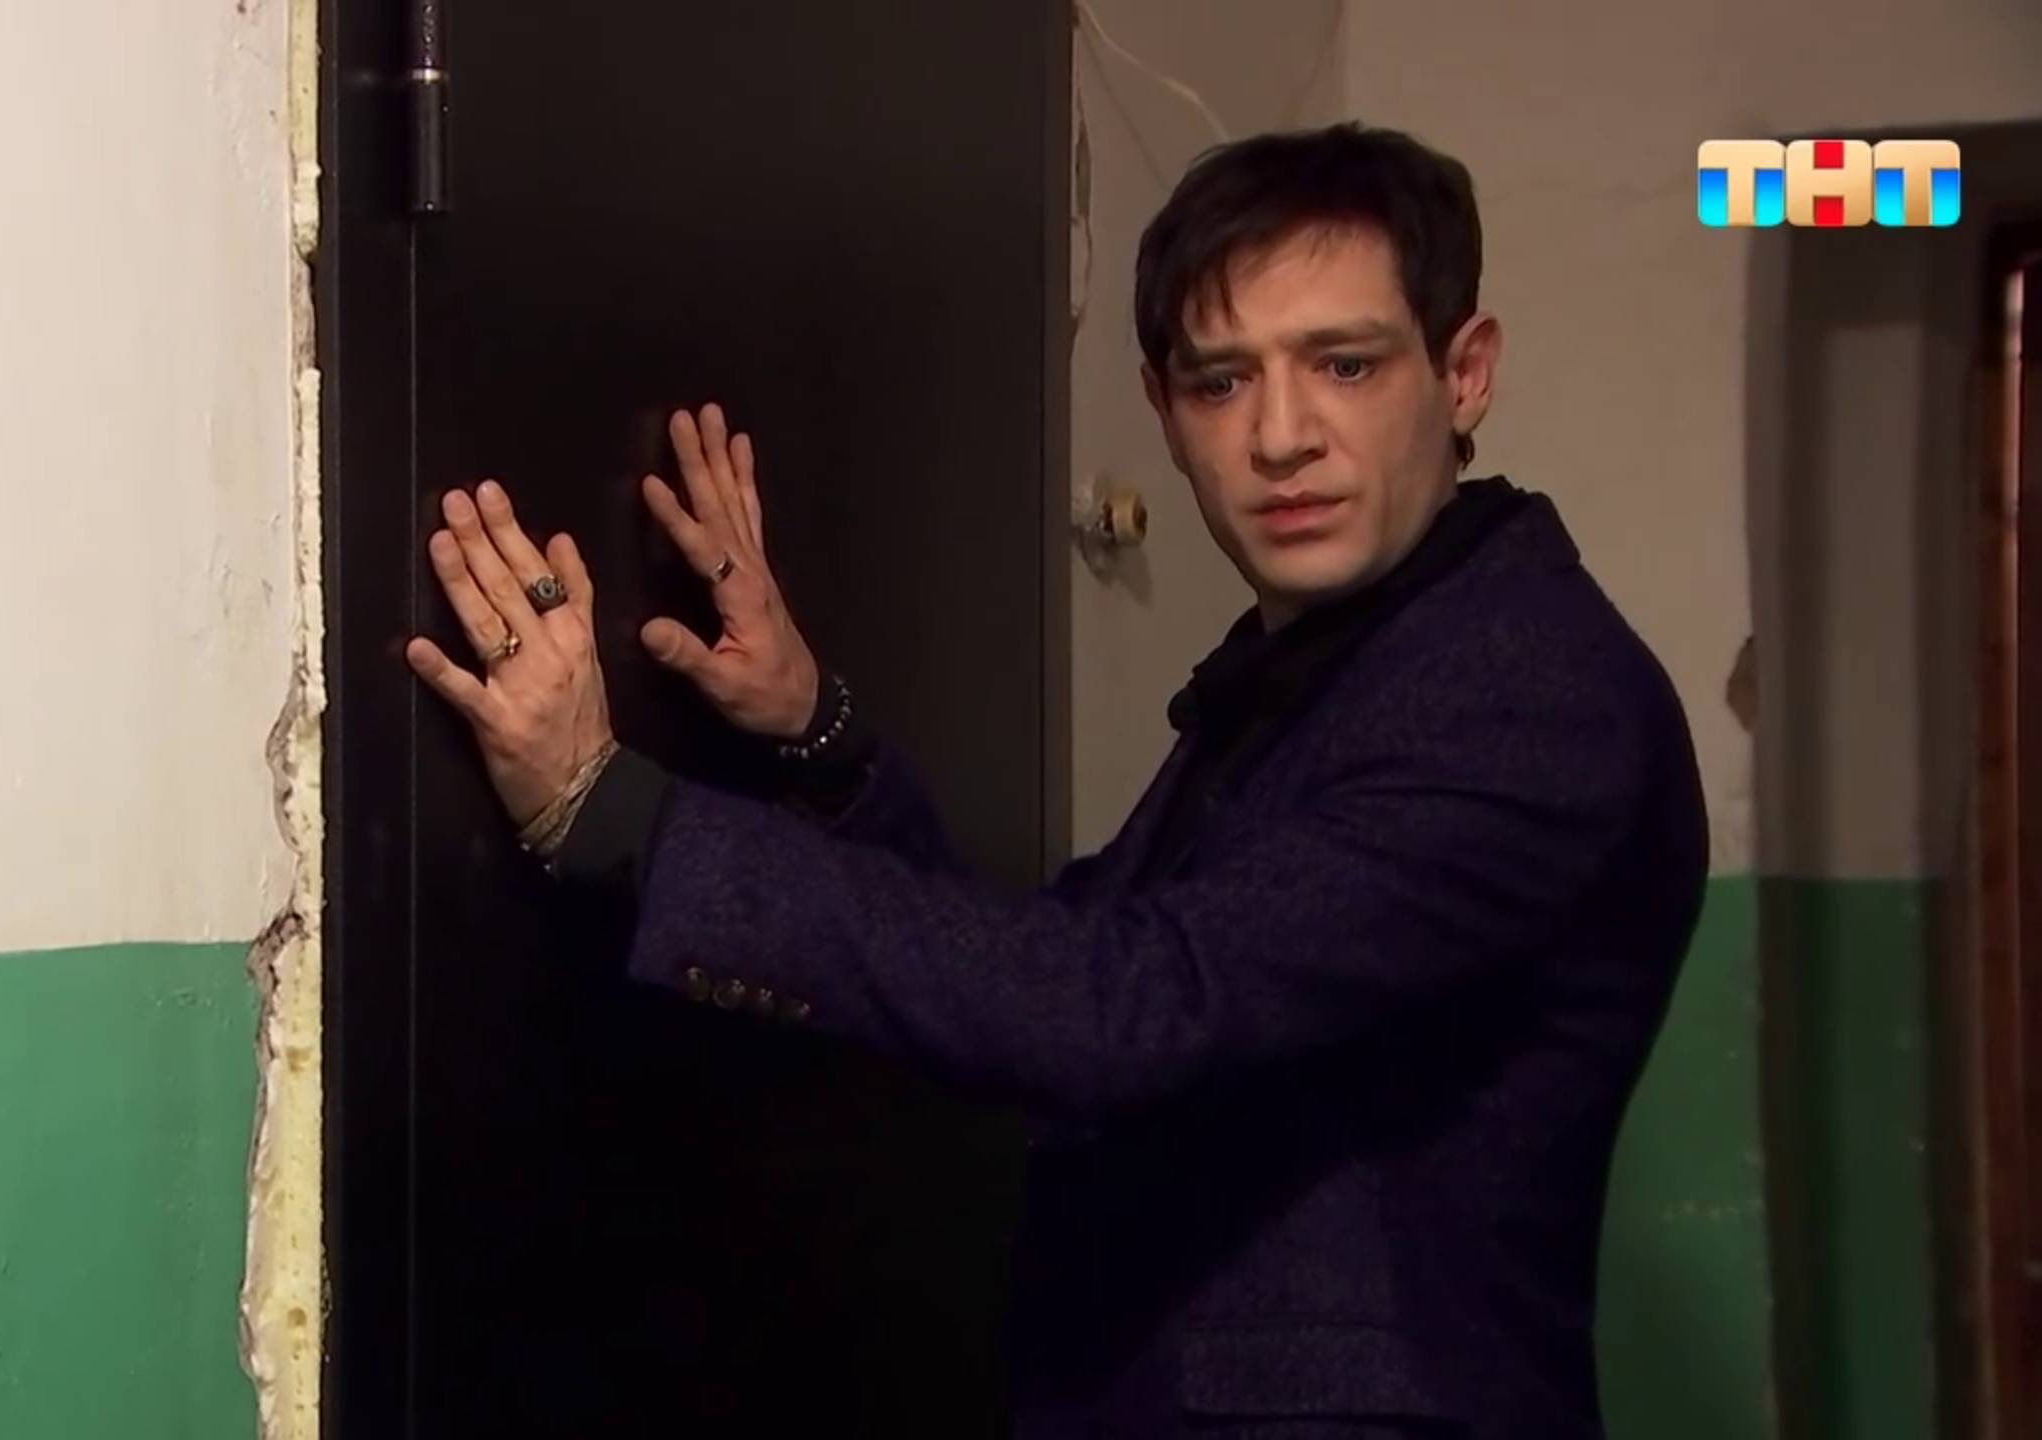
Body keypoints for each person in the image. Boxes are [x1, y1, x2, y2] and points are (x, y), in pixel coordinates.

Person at [401, 122, 1707, 1440]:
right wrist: (815, 727)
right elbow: (1059, 964)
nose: (1281, 436)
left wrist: (614, 812)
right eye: (1221, 381)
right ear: (1164, 411)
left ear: (1463, 373)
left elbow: (1116, 1011)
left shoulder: (1524, 690)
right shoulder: (1340, 660)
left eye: (1346, 365)